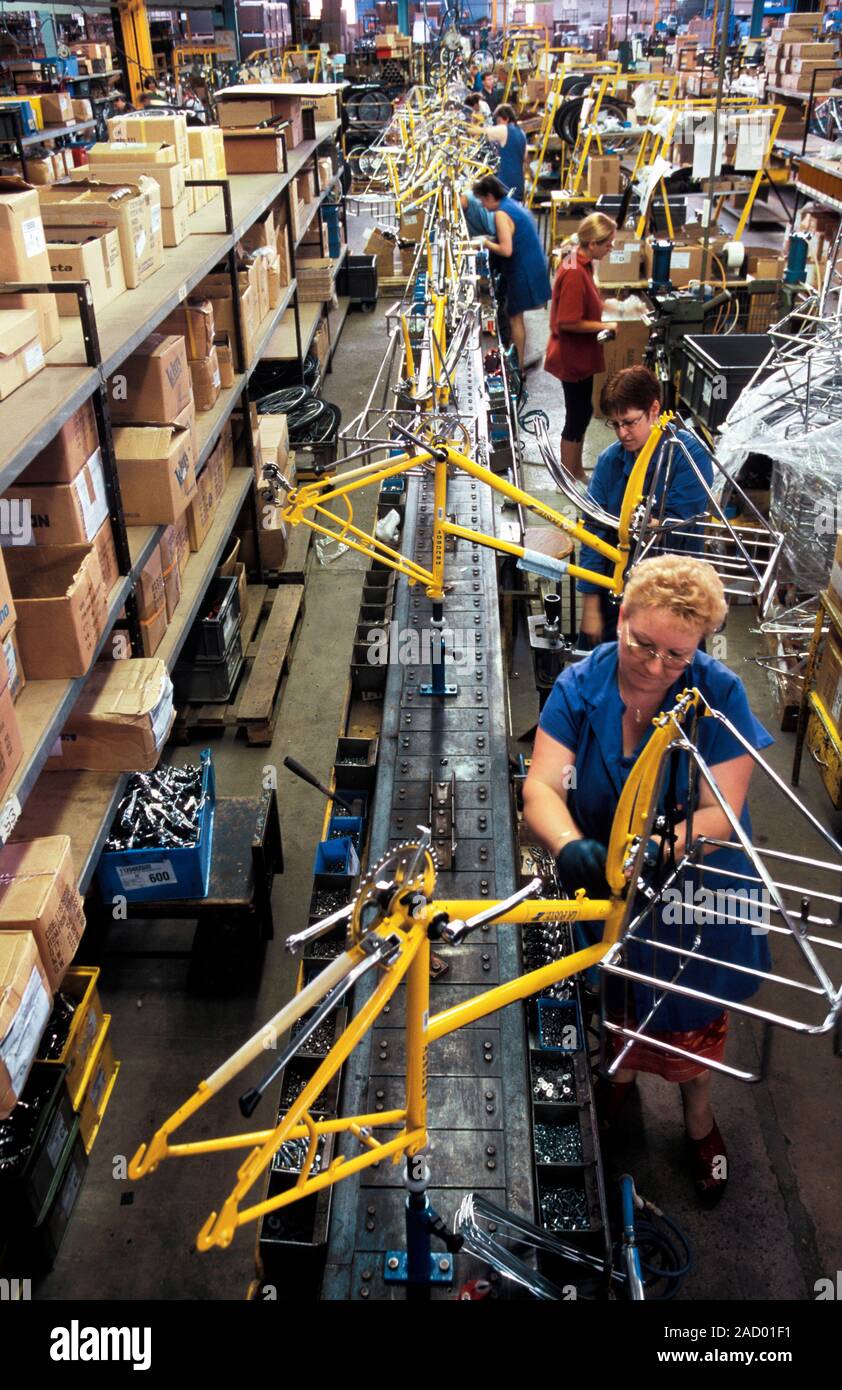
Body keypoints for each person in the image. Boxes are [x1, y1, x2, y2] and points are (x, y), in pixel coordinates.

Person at [523, 555, 773, 1203]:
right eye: (644, 645)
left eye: (676, 655)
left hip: (694, 889)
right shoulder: (582, 687)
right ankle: (617, 1085)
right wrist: (570, 845)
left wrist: (670, 847)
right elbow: (543, 787)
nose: (657, 666)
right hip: (608, 886)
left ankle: (698, 1121)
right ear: (622, 617)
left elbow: (723, 810)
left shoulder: (718, 694)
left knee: (686, 1018)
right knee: (616, 1002)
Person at [578, 366, 714, 649]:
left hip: (676, 595)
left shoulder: (689, 457)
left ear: (654, 409)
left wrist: (644, 525)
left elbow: (676, 526)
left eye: (629, 422)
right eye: (615, 425)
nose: (622, 434)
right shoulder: (610, 461)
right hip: (620, 593)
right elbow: (592, 533)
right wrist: (591, 607)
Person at [544, 212, 618, 483]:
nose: (611, 248)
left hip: (577, 355)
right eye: (608, 243)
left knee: (582, 410)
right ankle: (566, 478)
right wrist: (605, 327)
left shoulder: (580, 261)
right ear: (594, 242)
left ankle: (576, 470)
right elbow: (567, 321)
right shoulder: (575, 271)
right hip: (571, 357)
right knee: (577, 415)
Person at [472, 173, 551, 371]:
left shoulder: (500, 214)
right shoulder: (511, 204)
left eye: (482, 201)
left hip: (522, 270)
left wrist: (485, 242)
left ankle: (517, 367)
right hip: (531, 266)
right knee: (514, 314)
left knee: (515, 316)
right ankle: (517, 359)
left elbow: (506, 250)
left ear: (490, 196)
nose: (482, 206)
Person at [486, 103, 527, 201]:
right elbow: (525, 157)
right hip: (519, 181)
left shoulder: (504, 129)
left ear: (506, 119)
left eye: (499, 121)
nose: (498, 124)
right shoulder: (521, 132)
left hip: (506, 181)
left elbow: (483, 133)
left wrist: (468, 127)